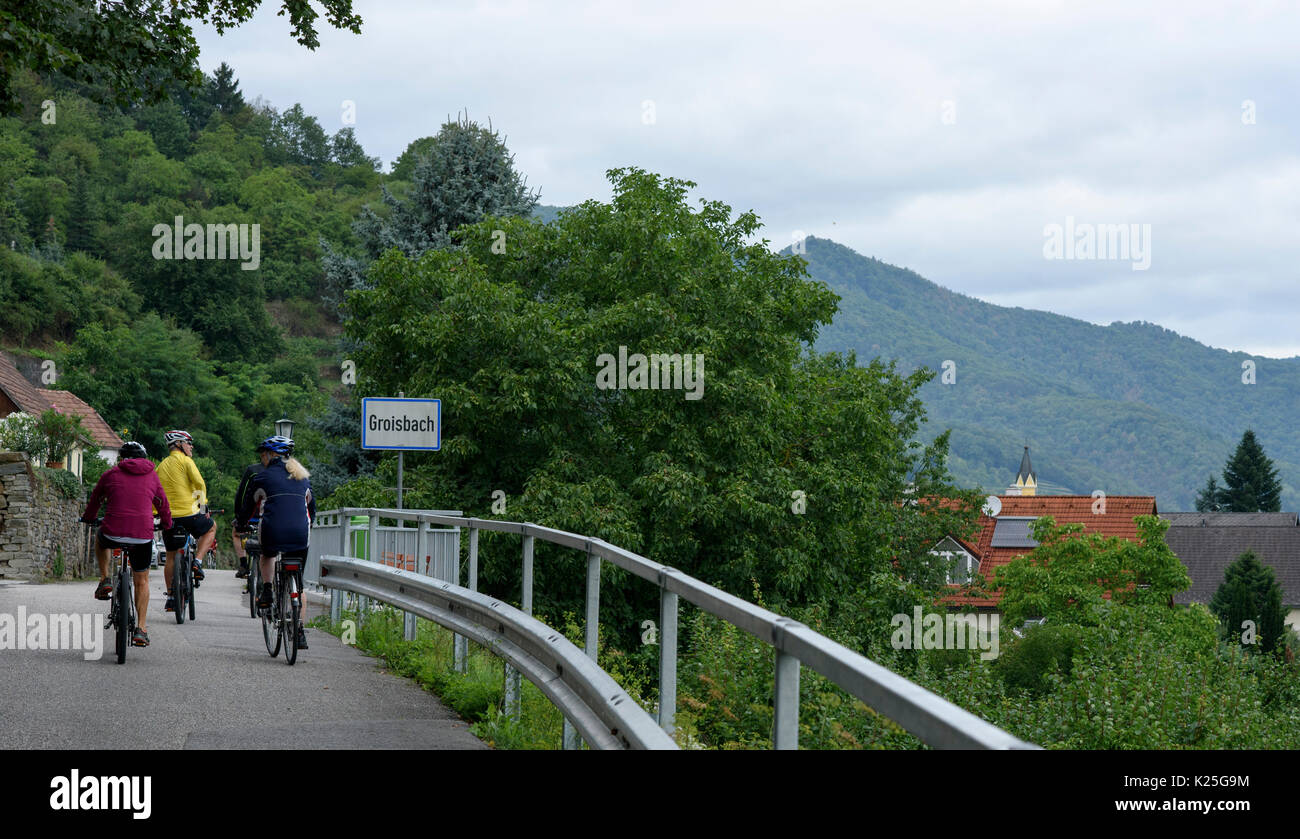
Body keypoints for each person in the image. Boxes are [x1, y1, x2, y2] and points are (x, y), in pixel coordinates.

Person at [80, 441, 174, 647]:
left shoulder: (111, 474)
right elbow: (162, 504)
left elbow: (95, 500)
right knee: (142, 580)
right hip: (142, 536)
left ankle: (105, 579)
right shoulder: (152, 476)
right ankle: (141, 628)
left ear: (122, 458)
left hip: (113, 532)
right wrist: (166, 524)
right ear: (144, 458)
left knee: (100, 537)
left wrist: (88, 518)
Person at [239, 436, 315, 649]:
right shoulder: (302, 476)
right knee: (299, 583)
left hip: (273, 532)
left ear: (271, 455)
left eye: (262, 455)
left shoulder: (262, 478)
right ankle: (299, 632)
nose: (261, 459)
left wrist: (241, 524)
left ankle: (268, 589)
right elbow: (312, 510)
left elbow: (248, 508)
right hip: (300, 534)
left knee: (267, 554)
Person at [156, 429, 216, 612]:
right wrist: (203, 508)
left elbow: (156, 492)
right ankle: (197, 561)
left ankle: (171, 597)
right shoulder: (186, 461)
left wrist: (155, 513)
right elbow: (199, 485)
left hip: (169, 518)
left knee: (171, 555)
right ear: (179, 444)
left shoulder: (161, 466)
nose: (191, 447)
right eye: (189, 443)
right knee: (212, 527)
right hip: (190, 515)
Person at [231, 456, 265, 581]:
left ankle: (243, 564)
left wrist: (238, 517)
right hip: (269, 516)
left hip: (251, 515)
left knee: (236, 533)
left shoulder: (252, 470)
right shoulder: (283, 471)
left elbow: (241, 493)